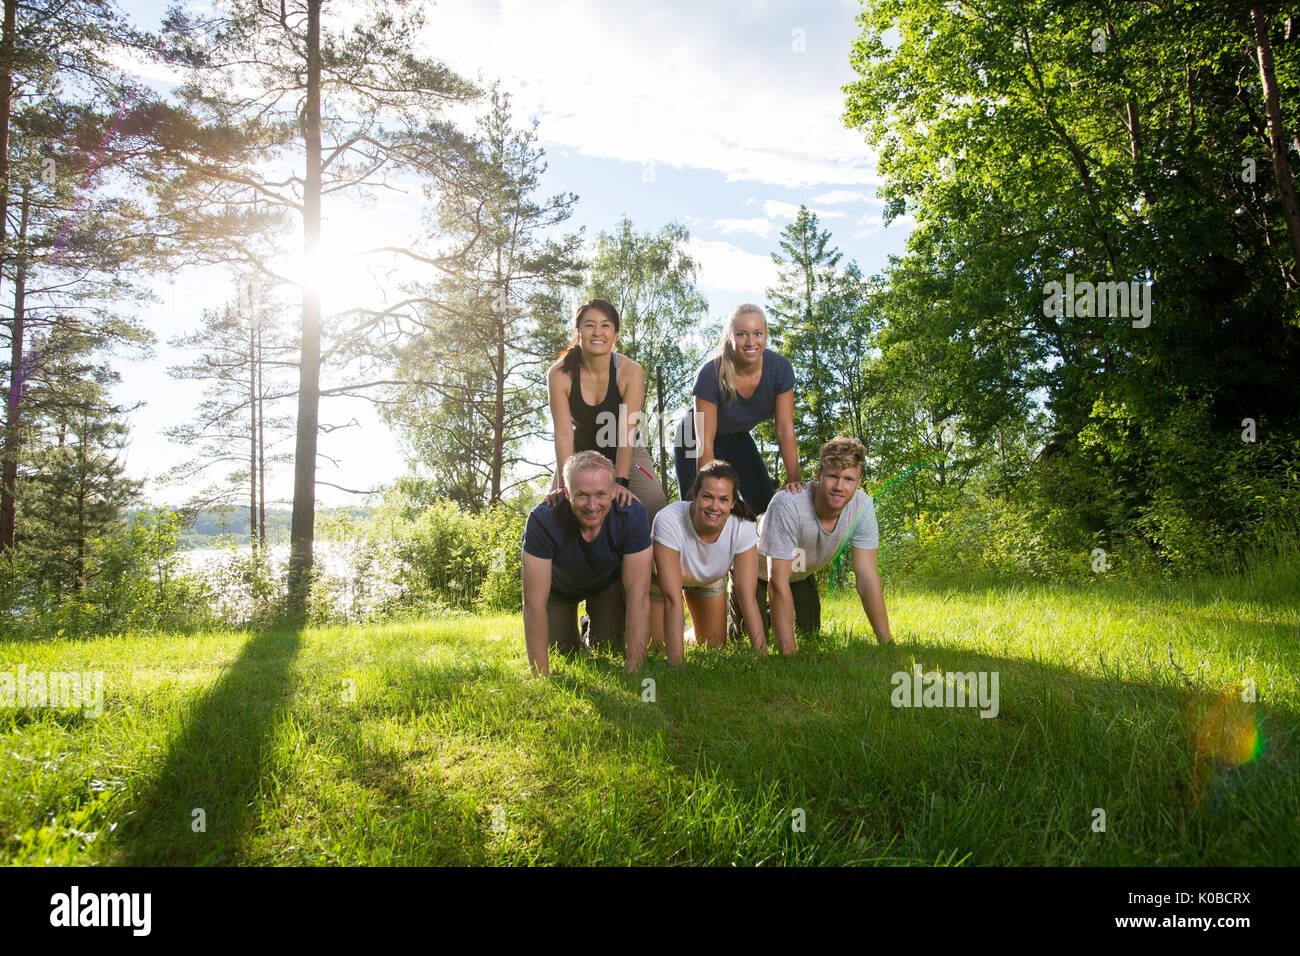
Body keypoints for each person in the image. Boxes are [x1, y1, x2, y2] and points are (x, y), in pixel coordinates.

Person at [744, 435, 893, 654]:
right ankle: (690, 630)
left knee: (809, 632)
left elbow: (866, 577)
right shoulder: (788, 504)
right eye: (833, 476)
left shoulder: (863, 507)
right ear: (819, 475)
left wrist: (887, 644)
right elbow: (778, 581)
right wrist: (789, 656)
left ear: (859, 482)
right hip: (752, 568)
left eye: (849, 479)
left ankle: (773, 613)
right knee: (741, 638)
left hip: (799, 569)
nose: (839, 487)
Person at [522, 451, 653, 675]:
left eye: (601, 494)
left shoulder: (632, 514)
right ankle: (575, 634)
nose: (592, 506)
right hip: (558, 591)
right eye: (582, 495)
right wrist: (540, 677)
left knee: (608, 647)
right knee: (562, 651)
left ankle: (588, 628)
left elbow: (638, 596)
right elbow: (533, 602)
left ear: (614, 491)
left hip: (605, 588)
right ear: (566, 493)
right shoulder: (542, 520)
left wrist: (634, 671)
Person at [546, 298, 668, 527]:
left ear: (615, 334)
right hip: (579, 452)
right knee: (552, 509)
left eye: (605, 325)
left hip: (629, 451)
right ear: (578, 331)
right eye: (589, 325)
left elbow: (627, 432)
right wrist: (564, 485)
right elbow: (563, 432)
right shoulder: (559, 374)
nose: (597, 332)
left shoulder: (631, 372)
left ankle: (649, 562)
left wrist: (620, 481)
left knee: (655, 504)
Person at [673, 303, 804, 516]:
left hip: (736, 439)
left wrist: (794, 480)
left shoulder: (779, 368)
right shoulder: (710, 374)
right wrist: (706, 492)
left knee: (765, 506)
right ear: (730, 337)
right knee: (701, 509)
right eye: (742, 334)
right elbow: (704, 441)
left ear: (765, 335)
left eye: (758, 333)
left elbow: (784, 429)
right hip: (694, 439)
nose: (751, 342)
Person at [649, 459, 768, 664]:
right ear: (695, 496)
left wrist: (762, 655)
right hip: (659, 583)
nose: (714, 506)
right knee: (657, 649)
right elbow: (672, 598)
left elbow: (746, 595)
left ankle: (685, 632)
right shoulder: (668, 520)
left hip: (707, 580)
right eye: (707, 497)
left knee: (713, 648)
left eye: (723, 499)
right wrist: (677, 666)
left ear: (732, 503)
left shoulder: (743, 526)